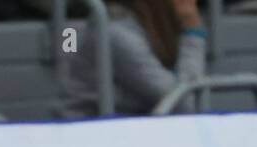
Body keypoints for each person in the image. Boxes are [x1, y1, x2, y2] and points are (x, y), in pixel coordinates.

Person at [62, 0, 208, 117]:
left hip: (126, 135)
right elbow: (184, 102)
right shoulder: (117, 34)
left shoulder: (147, 27)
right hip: (86, 139)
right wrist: (193, 31)